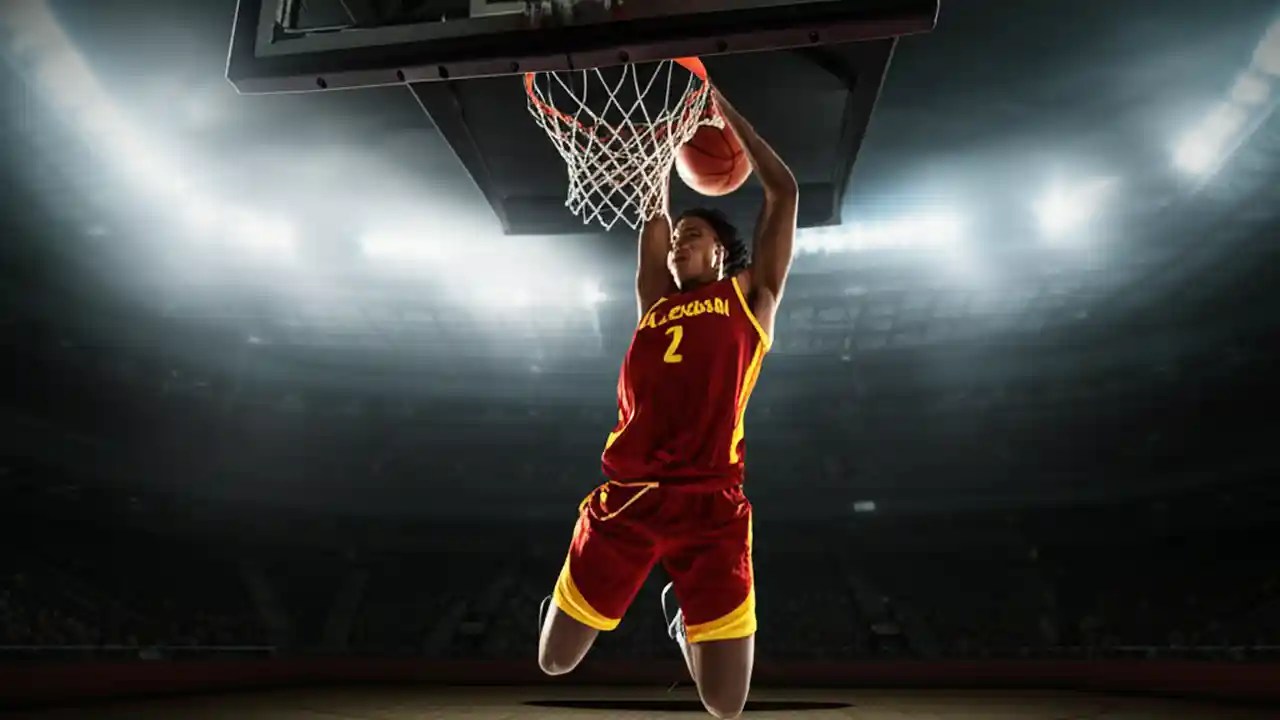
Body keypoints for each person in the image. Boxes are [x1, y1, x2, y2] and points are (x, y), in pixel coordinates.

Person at [537, 86, 797, 720]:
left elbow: (783, 193)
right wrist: (665, 144)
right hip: (629, 494)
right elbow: (653, 220)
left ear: (722, 252)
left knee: (725, 706)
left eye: (694, 234)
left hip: (711, 503)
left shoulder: (750, 299)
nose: (679, 240)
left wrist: (719, 111)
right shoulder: (655, 302)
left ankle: (681, 620)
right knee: (553, 661)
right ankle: (571, 591)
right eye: (678, 235)